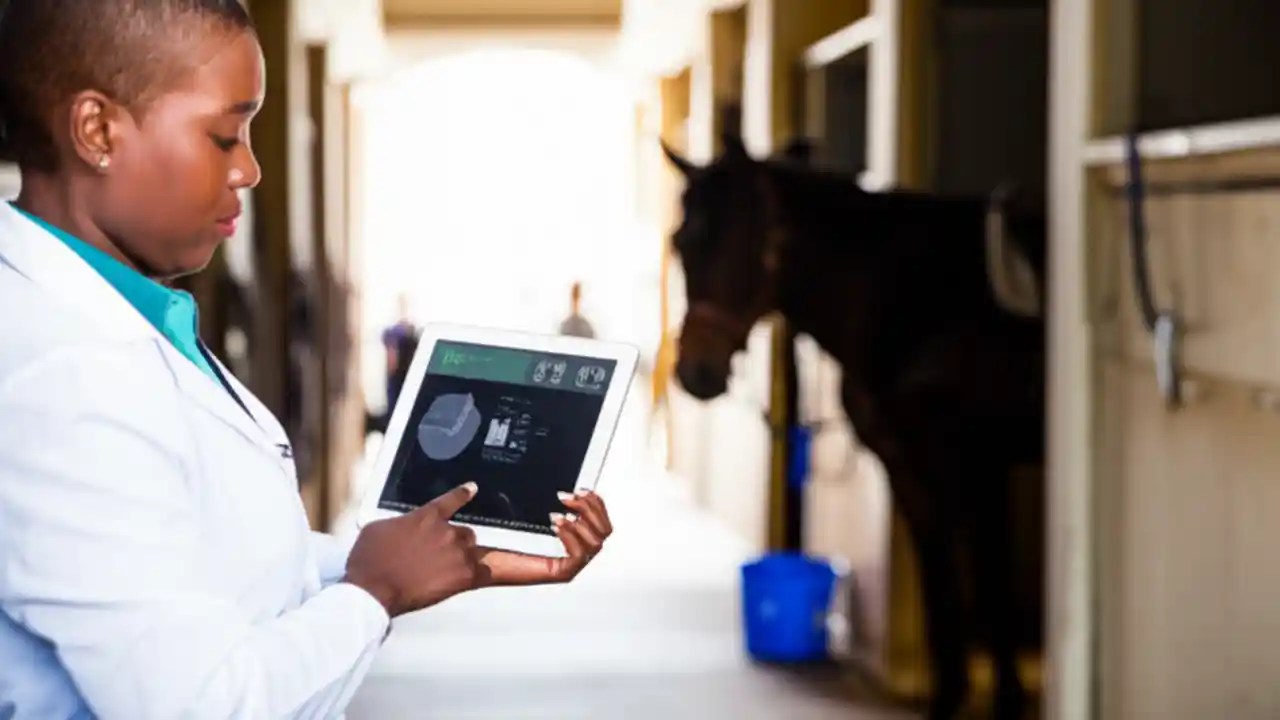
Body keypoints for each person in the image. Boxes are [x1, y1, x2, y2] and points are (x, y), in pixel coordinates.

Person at [0, 2, 613, 718]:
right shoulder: (56, 375)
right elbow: (202, 705)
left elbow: (206, 559)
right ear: (98, 131)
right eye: (225, 135)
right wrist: (374, 593)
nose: (251, 170)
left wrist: (428, 555)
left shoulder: (126, 316)